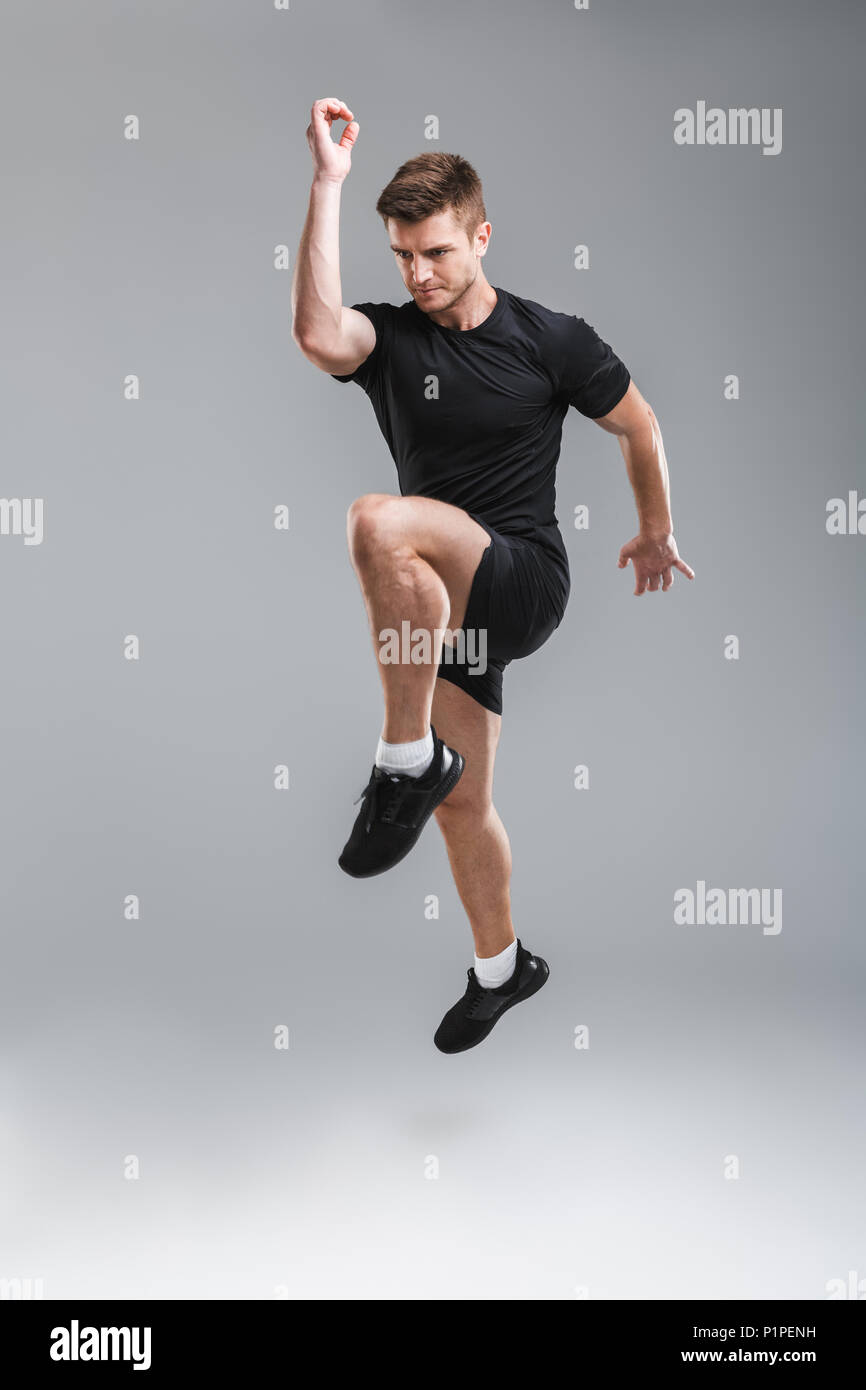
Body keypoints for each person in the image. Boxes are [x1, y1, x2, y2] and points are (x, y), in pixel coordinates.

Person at [291, 98, 695, 1055]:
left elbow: (637, 421)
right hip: (443, 609)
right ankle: (501, 967)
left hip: (519, 580)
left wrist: (654, 528)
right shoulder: (390, 341)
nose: (418, 275)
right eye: (402, 256)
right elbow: (315, 333)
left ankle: (403, 763)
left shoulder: (550, 339)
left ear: (480, 235)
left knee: (374, 521)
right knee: (464, 806)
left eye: (436, 252)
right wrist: (327, 184)